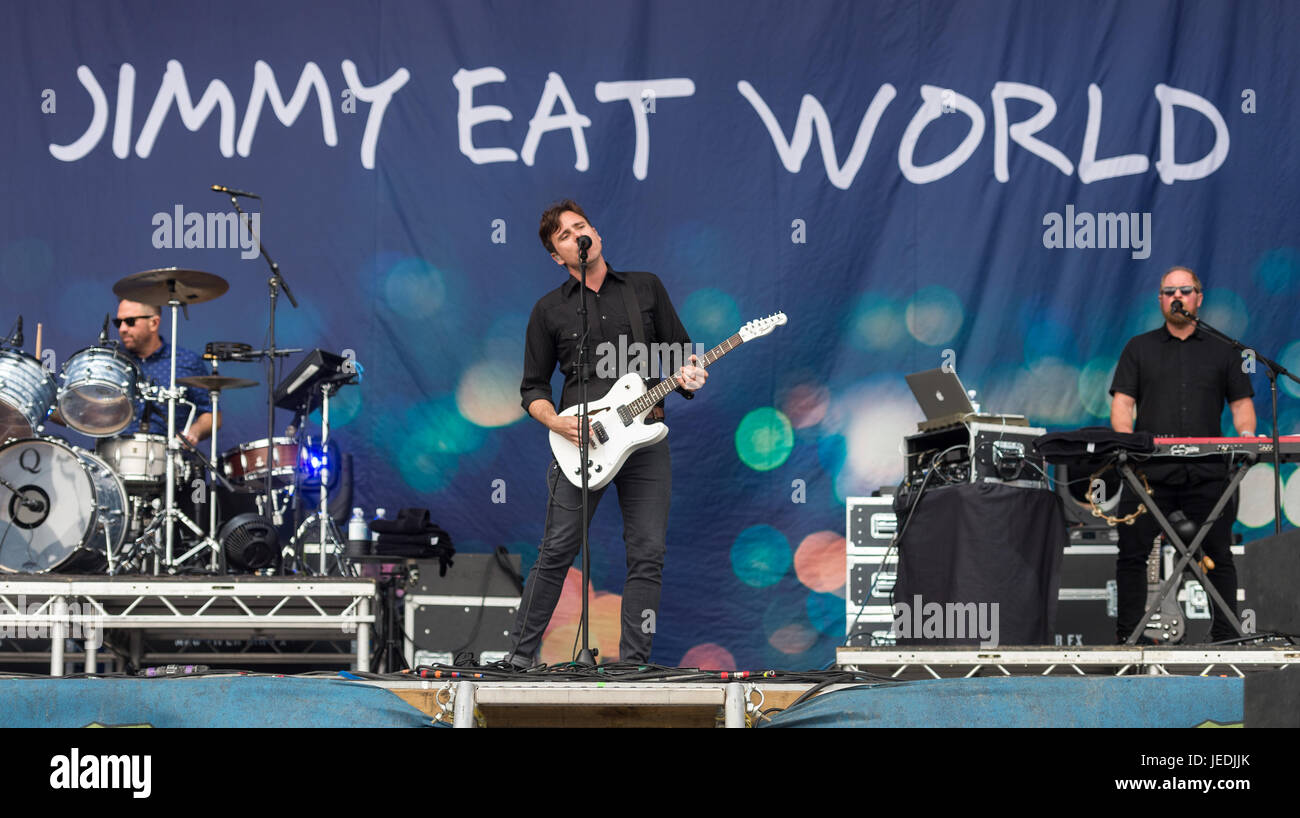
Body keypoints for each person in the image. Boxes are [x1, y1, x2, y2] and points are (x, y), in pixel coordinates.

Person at [509, 200, 708, 667]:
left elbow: (680, 353)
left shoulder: (645, 287)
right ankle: (518, 658)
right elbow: (532, 387)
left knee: (647, 552)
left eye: (581, 226)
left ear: (596, 234)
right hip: (581, 442)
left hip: (644, 437)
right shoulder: (548, 310)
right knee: (557, 548)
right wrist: (556, 421)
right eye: (564, 234)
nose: (577, 234)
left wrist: (690, 374)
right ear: (557, 256)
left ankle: (633, 663)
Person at [1109, 266, 1256, 644]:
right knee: (1131, 553)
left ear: (1198, 298)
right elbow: (1123, 403)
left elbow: (1241, 404)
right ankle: (1129, 638)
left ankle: (1226, 637)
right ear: (1160, 300)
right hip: (1148, 472)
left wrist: (1247, 437)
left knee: (1217, 554)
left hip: (1207, 473)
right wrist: (1125, 444)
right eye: (1168, 291)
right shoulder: (1138, 347)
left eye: (1184, 290)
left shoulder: (1224, 349)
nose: (1177, 297)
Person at [115, 299, 214, 444]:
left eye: (130, 321)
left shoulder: (186, 361)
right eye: (118, 323)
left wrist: (193, 432)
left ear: (154, 323)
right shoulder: (113, 362)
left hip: (169, 456)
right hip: (114, 455)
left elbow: (211, 414)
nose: (122, 329)